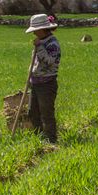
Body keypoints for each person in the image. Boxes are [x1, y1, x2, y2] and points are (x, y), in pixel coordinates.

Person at [26, 13, 61, 144]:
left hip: (47, 84)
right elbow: (35, 63)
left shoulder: (53, 44)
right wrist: (30, 77)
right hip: (36, 83)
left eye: (36, 31)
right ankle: (39, 138)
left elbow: (49, 61)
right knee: (32, 112)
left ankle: (51, 140)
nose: (34, 34)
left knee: (46, 113)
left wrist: (39, 47)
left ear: (43, 29)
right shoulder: (41, 42)